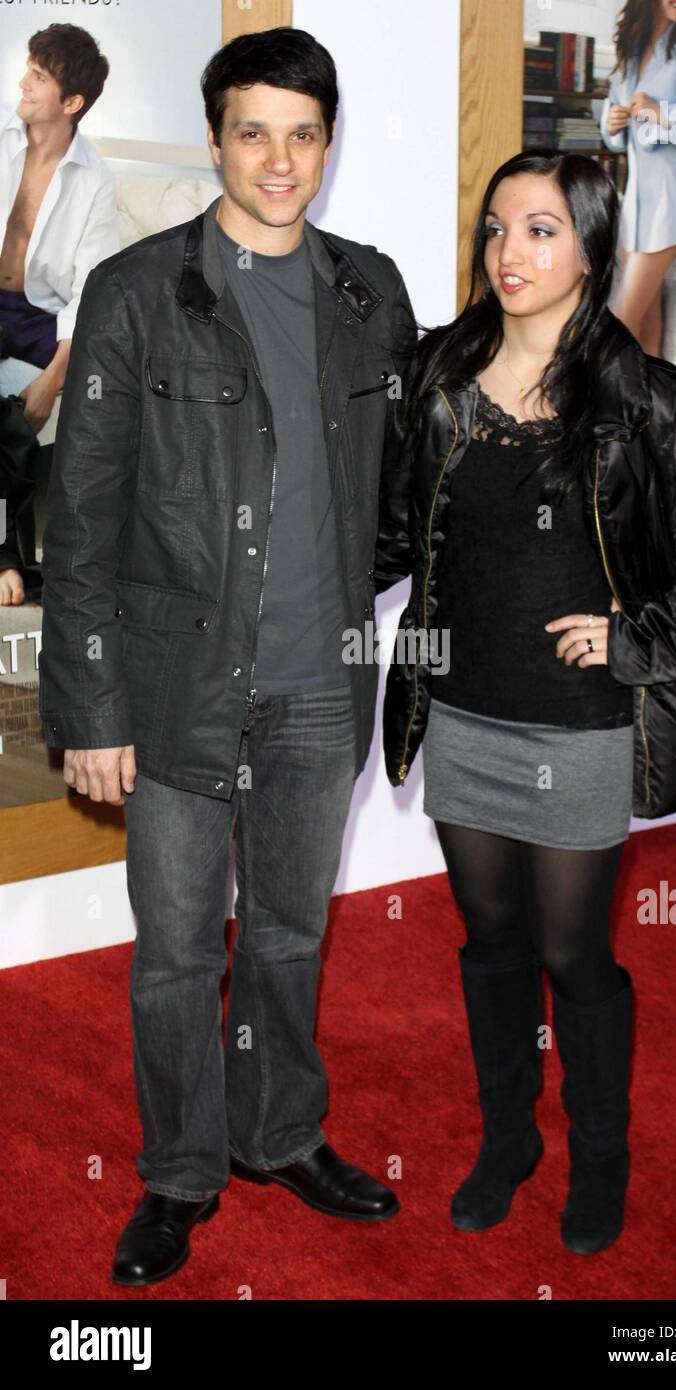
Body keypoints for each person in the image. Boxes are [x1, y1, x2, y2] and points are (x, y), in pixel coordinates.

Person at [38, 28, 417, 1287]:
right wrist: (89, 700)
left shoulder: (372, 292)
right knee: (177, 950)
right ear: (215, 141)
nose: (279, 158)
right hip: (176, 685)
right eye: (252, 131)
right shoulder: (140, 290)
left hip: (322, 681)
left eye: (303, 133)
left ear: (327, 143)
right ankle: (180, 1173)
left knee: (293, 934)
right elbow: (80, 513)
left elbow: (409, 488)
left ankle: (279, 1134)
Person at [381, 148, 676, 1255]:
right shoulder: (435, 380)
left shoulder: (648, 400)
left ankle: (598, 1156)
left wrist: (640, 637)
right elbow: (387, 533)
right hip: (462, 712)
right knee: (490, 946)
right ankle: (508, 1137)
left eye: (540, 230)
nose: (508, 252)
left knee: (574, 957)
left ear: (593, 248)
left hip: (583, 729)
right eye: (496, 228)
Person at [0, 23, 118, 605]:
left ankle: (5, 556)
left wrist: (52, 380)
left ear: (70, 103)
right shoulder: (0, 139)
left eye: (38, 78)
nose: (22, 83)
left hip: (35, 322)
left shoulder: (94, 182)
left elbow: (89, 296)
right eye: (29, 69)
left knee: (12, 409)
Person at [600, 0, 676, 355]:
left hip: (668, 210)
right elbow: (614, 135)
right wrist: (613, 124)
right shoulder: (630, 52)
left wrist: (660, 112)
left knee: (617, 323)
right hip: (635, 211)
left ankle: (605, 408)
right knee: (647, 329)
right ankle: (651, 409)